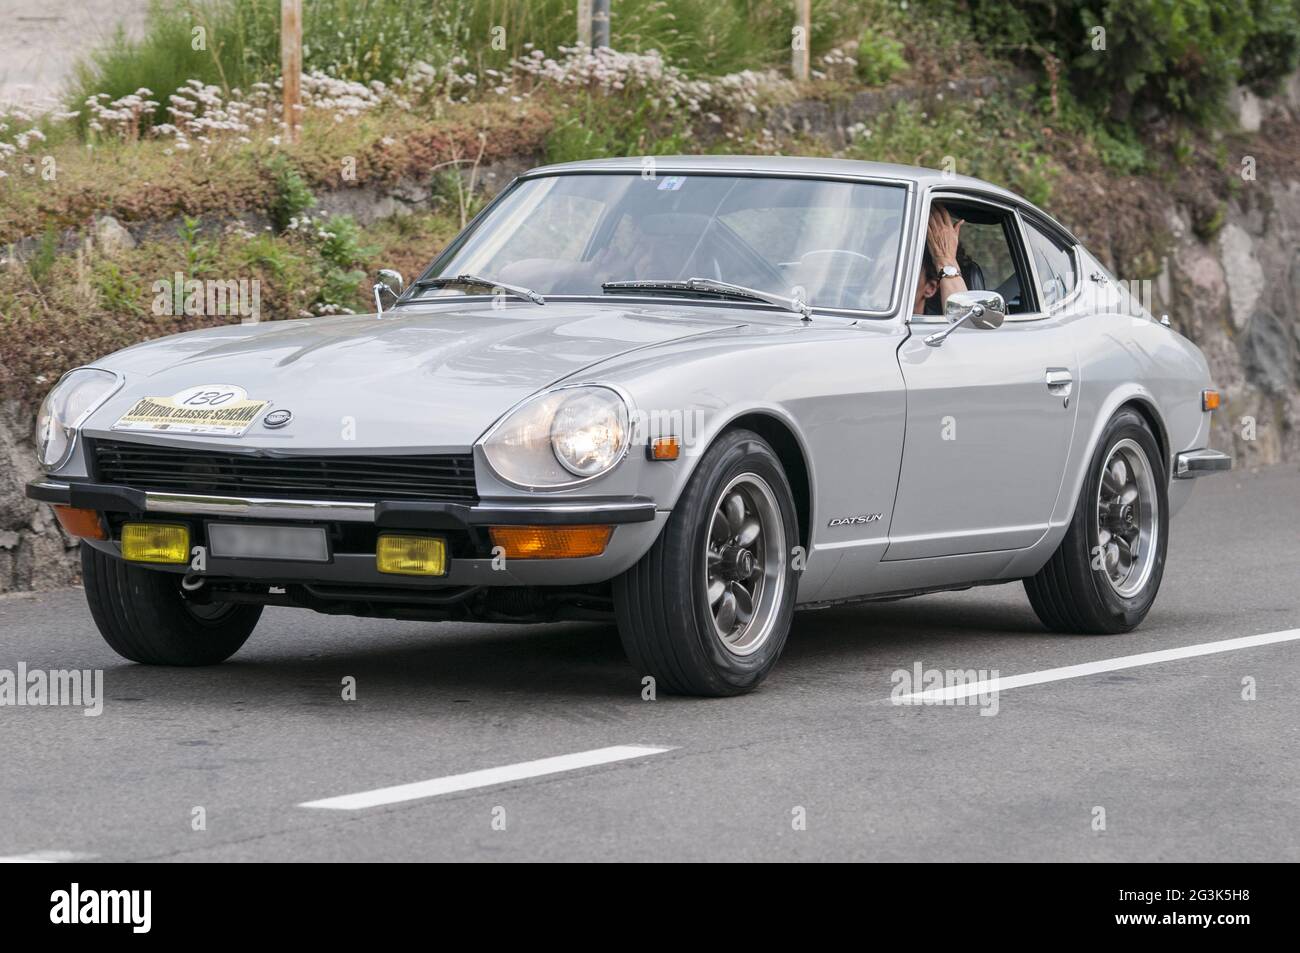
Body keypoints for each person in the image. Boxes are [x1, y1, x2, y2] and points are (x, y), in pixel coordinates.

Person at [912, 204, 967, 316]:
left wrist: (944, 259)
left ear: (930, 288)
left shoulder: (939, 330)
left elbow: (963, 324)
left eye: (904, 269)